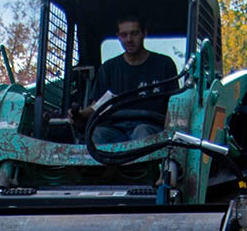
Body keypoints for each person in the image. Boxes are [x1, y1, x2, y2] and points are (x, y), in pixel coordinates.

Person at [72, 14, 178, 144]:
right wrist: (79, 115)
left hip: (150, 128)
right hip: (116, 129)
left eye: (134, 34)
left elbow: (174, 106)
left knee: (141, 131)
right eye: (124, 35)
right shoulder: (108, 68)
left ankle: (143, 165)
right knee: (98, 134)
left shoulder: (164, 65)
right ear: (118, 36)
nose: (129, 39)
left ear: (144, 33)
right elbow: (97, 105)